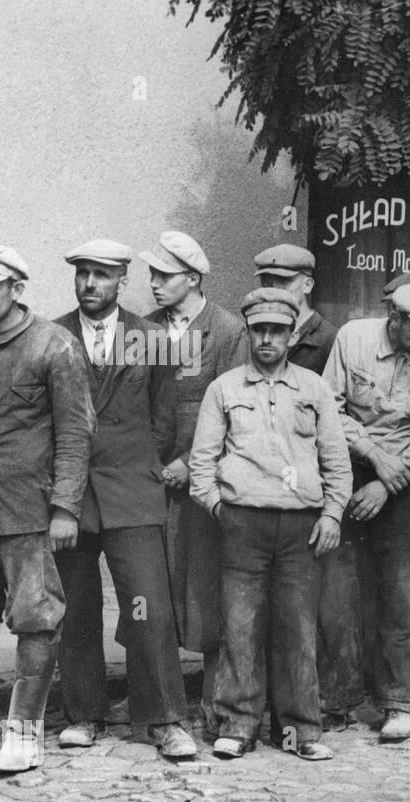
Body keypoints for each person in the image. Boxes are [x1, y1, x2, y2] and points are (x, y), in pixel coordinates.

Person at [0, 243, 94, 772]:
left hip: (24, 503)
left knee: (34, 616)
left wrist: (65, 507)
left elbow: (76, 433)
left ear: (17, 289)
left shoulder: (55, 346)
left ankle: (24, 732)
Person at [188, 288, 352, 760]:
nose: (266, 339)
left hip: (301, 526)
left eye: (276, 331)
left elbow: (335, 460)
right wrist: (222, 508)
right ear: (248, 332)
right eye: (258, 330)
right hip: (243, 524)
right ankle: (238, 725)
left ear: (290, 333)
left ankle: (299, 729)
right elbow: (203, 462)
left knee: (297, 627)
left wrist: (333, 513)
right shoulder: (225, 388)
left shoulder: (314, 388)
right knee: (240, 626)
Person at [51, 239, 195, 758]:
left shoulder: (150, 338)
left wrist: (138, 464)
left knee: (148, 607)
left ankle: (162, 719)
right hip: (72, 495)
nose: (90, 284)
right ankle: (85, 714)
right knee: (78, 607)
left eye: (102, 275)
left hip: (133, 492)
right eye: (83, 274)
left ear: (121, 281)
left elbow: (165, 420)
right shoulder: (53, 335)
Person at [322, 281, 410, 742]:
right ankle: (336, 699)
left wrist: (387, 479)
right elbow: (329, 410)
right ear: (395, 318)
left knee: (404, 595)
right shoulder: (353, 338)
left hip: (406, 478)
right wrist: (372, 457)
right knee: (339, 590)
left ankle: (397, 702)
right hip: (348, 468)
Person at [140, 231, 249, 729]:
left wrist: (189, 462)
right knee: (151, 590)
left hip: (205, 480)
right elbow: (128, 405)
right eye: (153, 275)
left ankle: (214, 704)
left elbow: (232, 406)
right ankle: (156, 704)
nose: (155, 283)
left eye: (165, 276)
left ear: (193, 278)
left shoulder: (228, 330)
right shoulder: (141, 331)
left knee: (206, 590)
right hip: (149, 479)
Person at [254, 244, 338, 375]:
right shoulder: (254, 333)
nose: (274, 289)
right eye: (267, 281)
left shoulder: (330, 340)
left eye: (284, 281)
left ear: (307, 286)